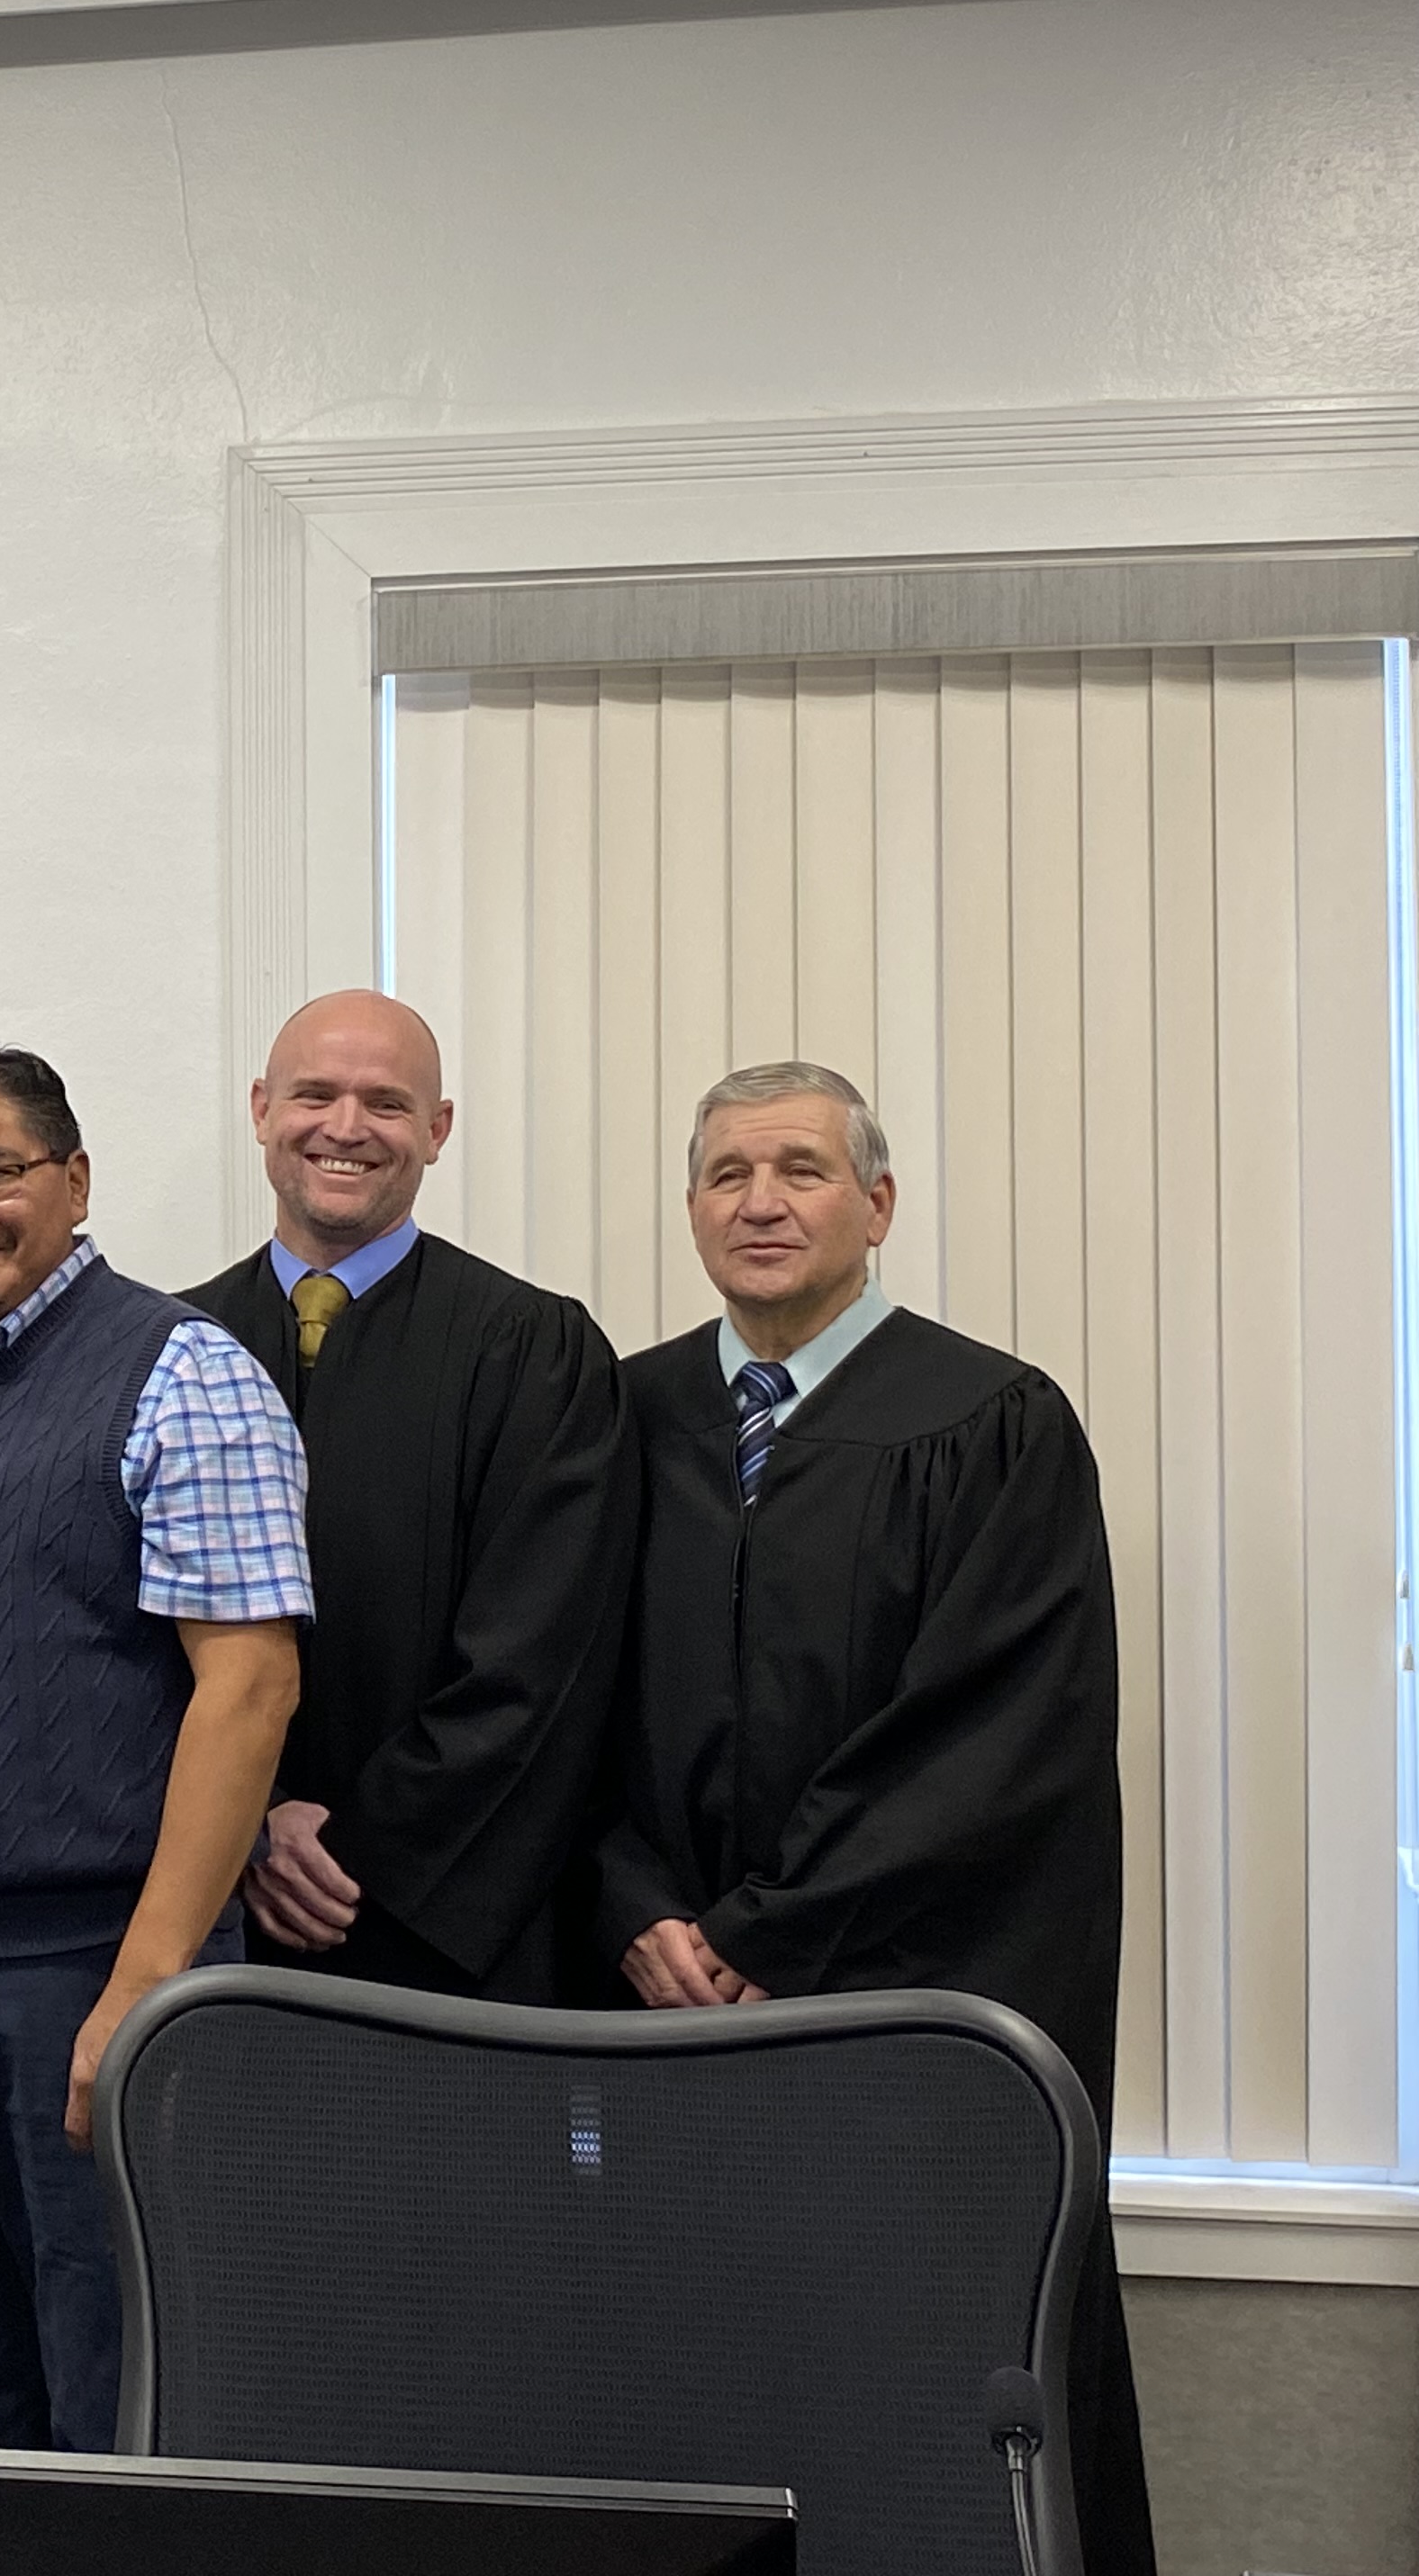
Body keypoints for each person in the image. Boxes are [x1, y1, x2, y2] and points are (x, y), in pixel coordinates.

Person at [601, 1059, 1154, 2576]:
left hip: (897, 2014)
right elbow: (561, 1703)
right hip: (657, 2016)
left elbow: (986, 1735)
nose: (759, 1200)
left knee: (910, 2395)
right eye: (725, 1171)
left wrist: (760, 1929)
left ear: (877, 1203)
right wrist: (633, 1903)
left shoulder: (989, 1419)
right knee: (681, 2375)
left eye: (798, 1168)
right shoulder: (621, 1414)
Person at [0, 1035, 309, 2454]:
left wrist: (144, 1985)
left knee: (123, 2398)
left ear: (75, 1180)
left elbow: (251, 1693)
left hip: (97, 1969)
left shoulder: (184, 1375)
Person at [182, 991, 634, 2004]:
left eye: (386, 1103)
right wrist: (251, 1824)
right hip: (213, 1919)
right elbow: (127, 1652)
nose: (345, 1127)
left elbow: (539, 1663)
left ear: (437, 1131)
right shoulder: (170, 1349)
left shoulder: (535, 1354)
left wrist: (347, 1849)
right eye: (314, 1095)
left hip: (442, 1931)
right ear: (260, 1109)